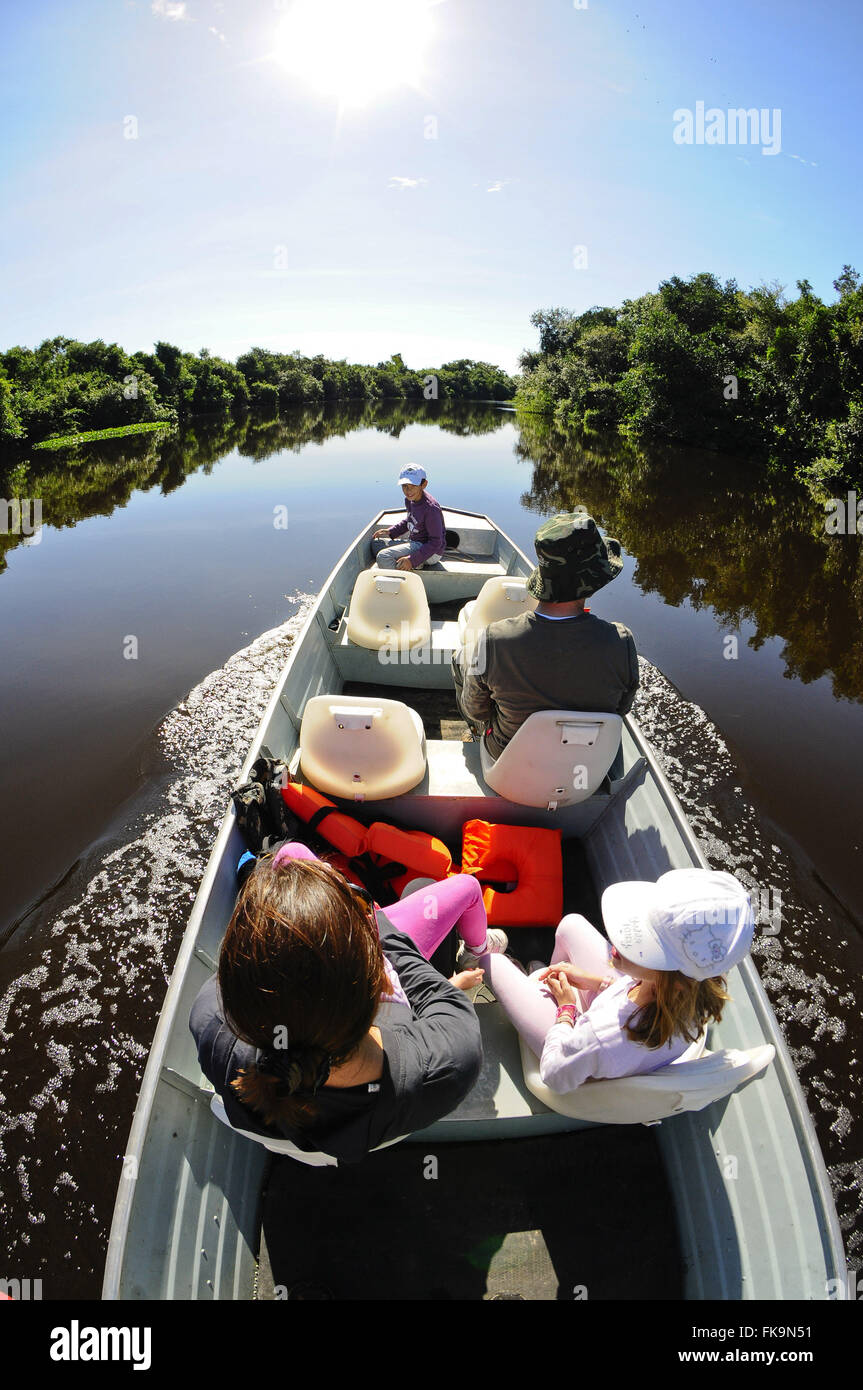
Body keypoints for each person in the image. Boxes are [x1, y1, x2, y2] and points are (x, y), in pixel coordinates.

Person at [189, 843, 507, 1163]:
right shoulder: (450, 1058)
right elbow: (435, 991)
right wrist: (366, 918)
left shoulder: (210, 1022)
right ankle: (478, 948)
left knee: (291, 853)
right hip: (381, 944)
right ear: (383, 981)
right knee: (451, 887)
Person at [482, 868, 754, 1092]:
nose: (618, 944)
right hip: (605, 1028)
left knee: (492, 962)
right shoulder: (695, 988)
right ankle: (542, 985)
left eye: (645, 948)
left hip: (569, 1049)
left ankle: (494, 966)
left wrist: (566, 1010)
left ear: (676, 980)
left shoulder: (603, 1034)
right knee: (571, 925)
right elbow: (633, 997)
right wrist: (595, 982)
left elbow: (555, 1074)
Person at [451, 512, 638, 773]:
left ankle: (473, 738)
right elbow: (620, 710)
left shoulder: (496, 639)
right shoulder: (622, 642)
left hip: (511, 761)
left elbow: (477, 711)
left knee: (461, 658)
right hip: (583, 765)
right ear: (593, 583)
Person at [372, 464, 446, 570]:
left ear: (423, 484)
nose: (408, 491)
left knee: (383, 556)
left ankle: (403, 577)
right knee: (376, 545)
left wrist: (412, 560)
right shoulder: (410, 500)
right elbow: (410, 520)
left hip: (431, 552)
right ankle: (409, 563)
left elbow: (436, 542)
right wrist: (391, 531)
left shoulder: (431, 508)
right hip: (414, 543)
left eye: (413, 486)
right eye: (405, 486)